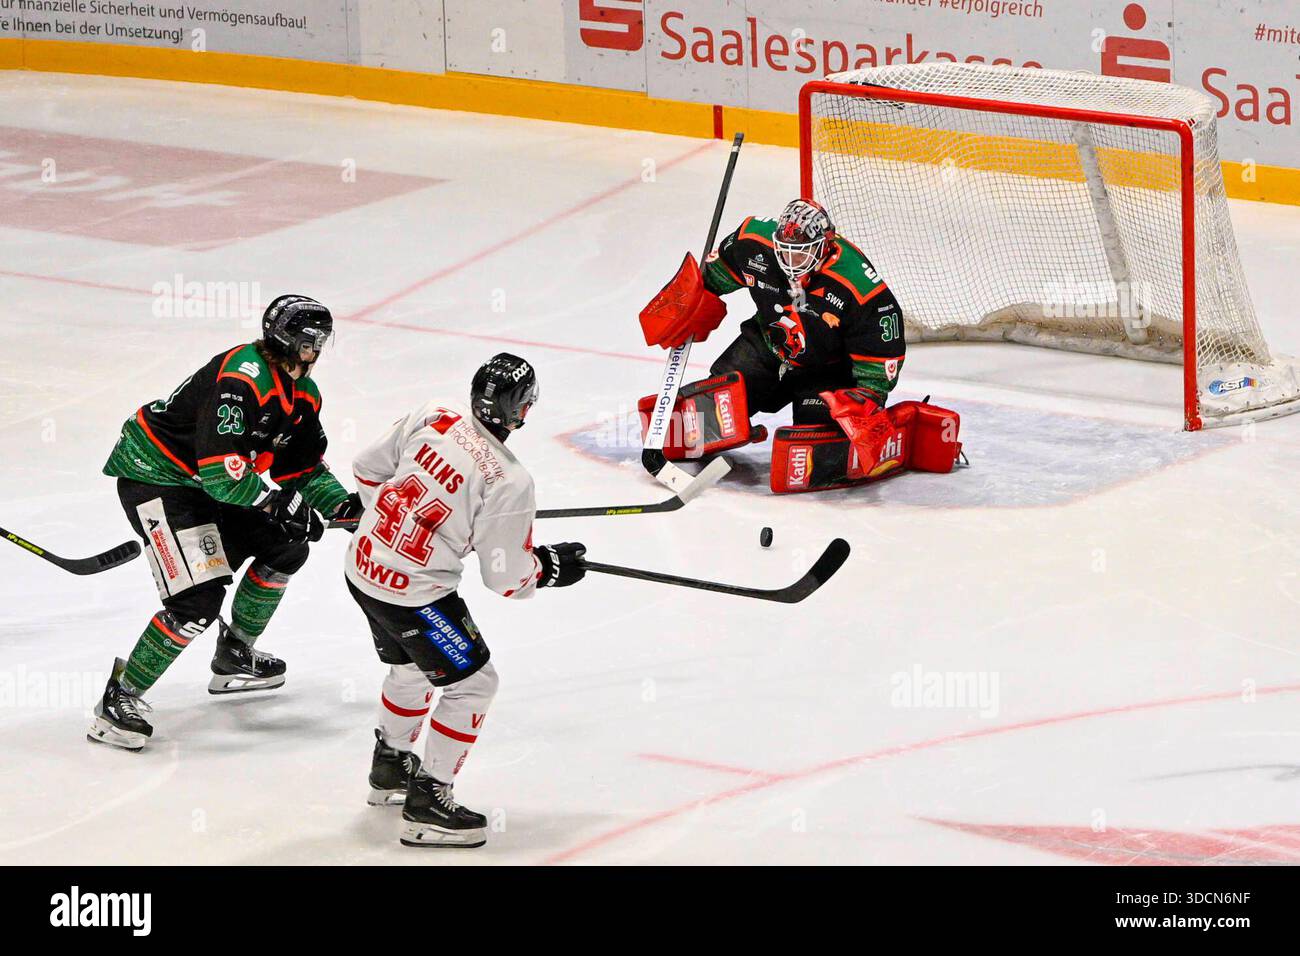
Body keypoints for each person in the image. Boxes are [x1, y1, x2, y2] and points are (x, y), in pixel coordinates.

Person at [88, 295, 363, 751]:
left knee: (285, 547)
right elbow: (220, 472)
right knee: (197, 599)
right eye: (315, 342)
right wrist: (276, 505)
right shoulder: (243, 378)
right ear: (296, 343)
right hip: (159, 476)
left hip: (208, 483)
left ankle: (235, 654)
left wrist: (343, 509)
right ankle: (120, 697)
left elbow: (302, 468)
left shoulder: (302, 394)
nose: (318, 351)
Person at [344, 353, 586, 848]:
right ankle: (429, 802)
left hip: (362, 567)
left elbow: (367, 470)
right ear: (521, 410)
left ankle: (391, 765)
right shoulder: (510, 481)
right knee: (474, 686)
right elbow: (507, 578)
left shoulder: (436, 414)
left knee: (413, 668)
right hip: (414, 596)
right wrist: (550, 569)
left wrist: (407, 527)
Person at [638, 198, 907, 491]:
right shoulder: (753, 242)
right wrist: (692, 300)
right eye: (785, 253)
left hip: (825, 370)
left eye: (801, 255)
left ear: (824, 247)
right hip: (769, 343)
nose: (791, 263)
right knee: (724, 393)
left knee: (814, 436)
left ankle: (839, 434)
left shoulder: (858, 284)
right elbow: (714, 276)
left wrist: (867, 395)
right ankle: (702, 429)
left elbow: (882, 348)